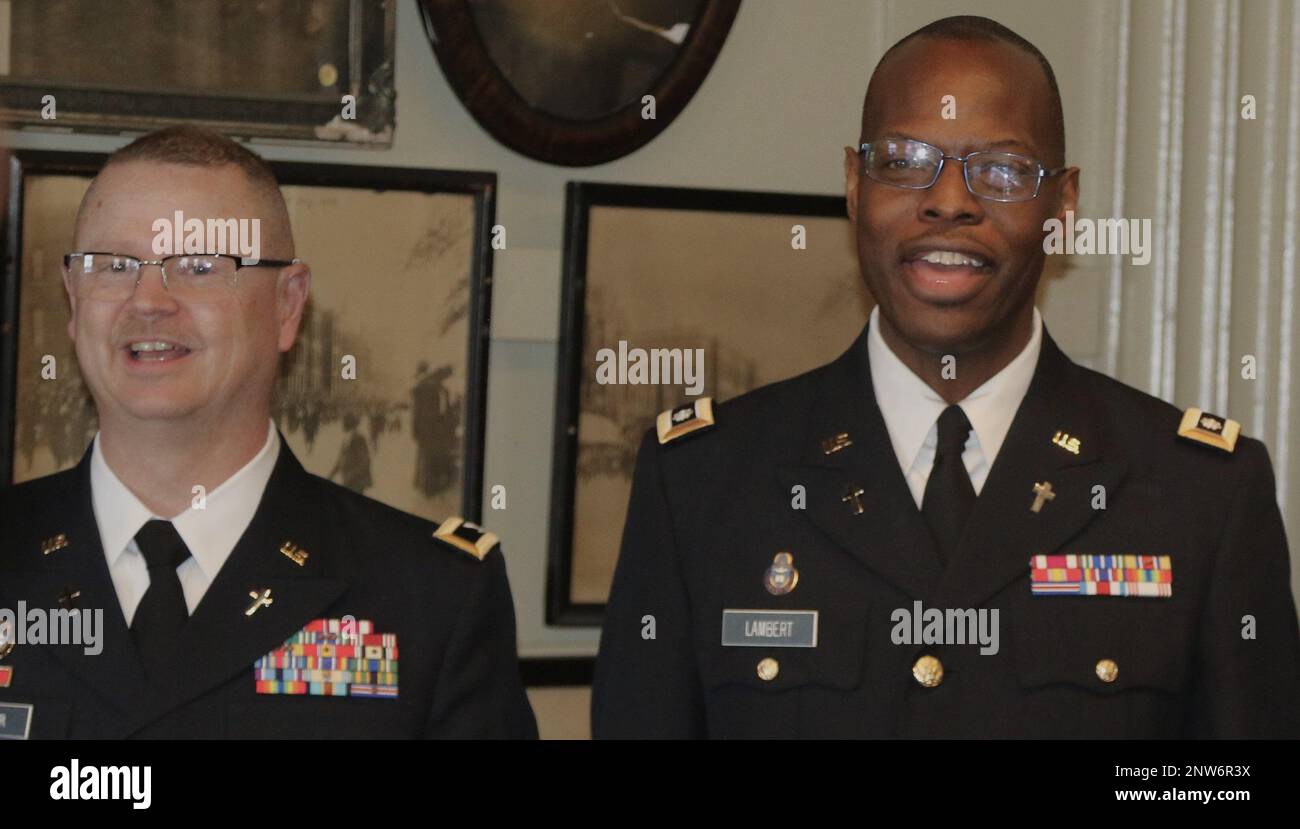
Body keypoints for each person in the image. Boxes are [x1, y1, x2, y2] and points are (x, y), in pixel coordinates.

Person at [592, 16, 1300, 738]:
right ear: (852, 185)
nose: (951, 201)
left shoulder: (1201, 496)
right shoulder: (704, 482)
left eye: (1001, 170)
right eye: (902, 160)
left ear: (1062, 205)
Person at [0, 126, 536, 739]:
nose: (148, 301)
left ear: (287, 305)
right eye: (114, 266)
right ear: (73, 302)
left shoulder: (429, 600)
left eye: (200, 266)